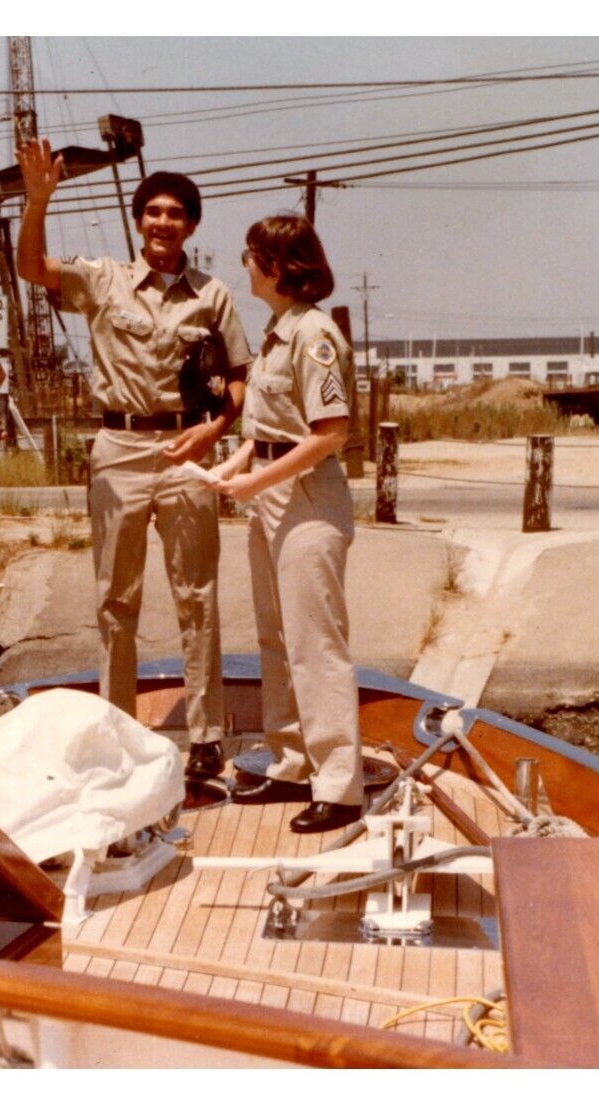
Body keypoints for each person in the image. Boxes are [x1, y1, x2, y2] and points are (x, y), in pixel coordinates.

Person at [16, 139, 253, 779]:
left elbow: (239, 377)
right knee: (114, 600)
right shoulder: (103, 280)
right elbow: (32, 266)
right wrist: (38, 199)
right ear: (138, 221)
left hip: (186, 449)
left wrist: (217, 429)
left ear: (191, 226)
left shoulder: (214, 296)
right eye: (152, 213)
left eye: (176, 214)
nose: (162, 223)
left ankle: (204, 735)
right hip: (117, 448)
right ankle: (116, 728)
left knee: (196, 595)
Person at [210, 214, 362, 834]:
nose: (243, 265)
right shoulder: (278, 331)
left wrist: (257, 480)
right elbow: (274, 427)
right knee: (277, 638)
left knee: (315, 644)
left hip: (305, 500)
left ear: (275, 265)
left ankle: (341, 785)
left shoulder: (315, 334)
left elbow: (331, 434)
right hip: (271, 493)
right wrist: (239, 462)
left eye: (250, 256)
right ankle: (293, 762)